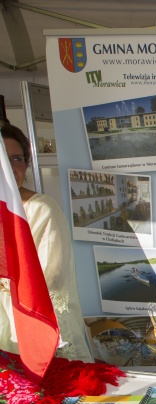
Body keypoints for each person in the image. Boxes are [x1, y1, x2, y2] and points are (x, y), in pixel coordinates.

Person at [0, 122, 93, 362]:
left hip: (31, 326)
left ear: (27, 164)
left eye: (17, 159)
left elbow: (50, 281)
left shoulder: (41, 209)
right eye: (4, 159)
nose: (10, 168)